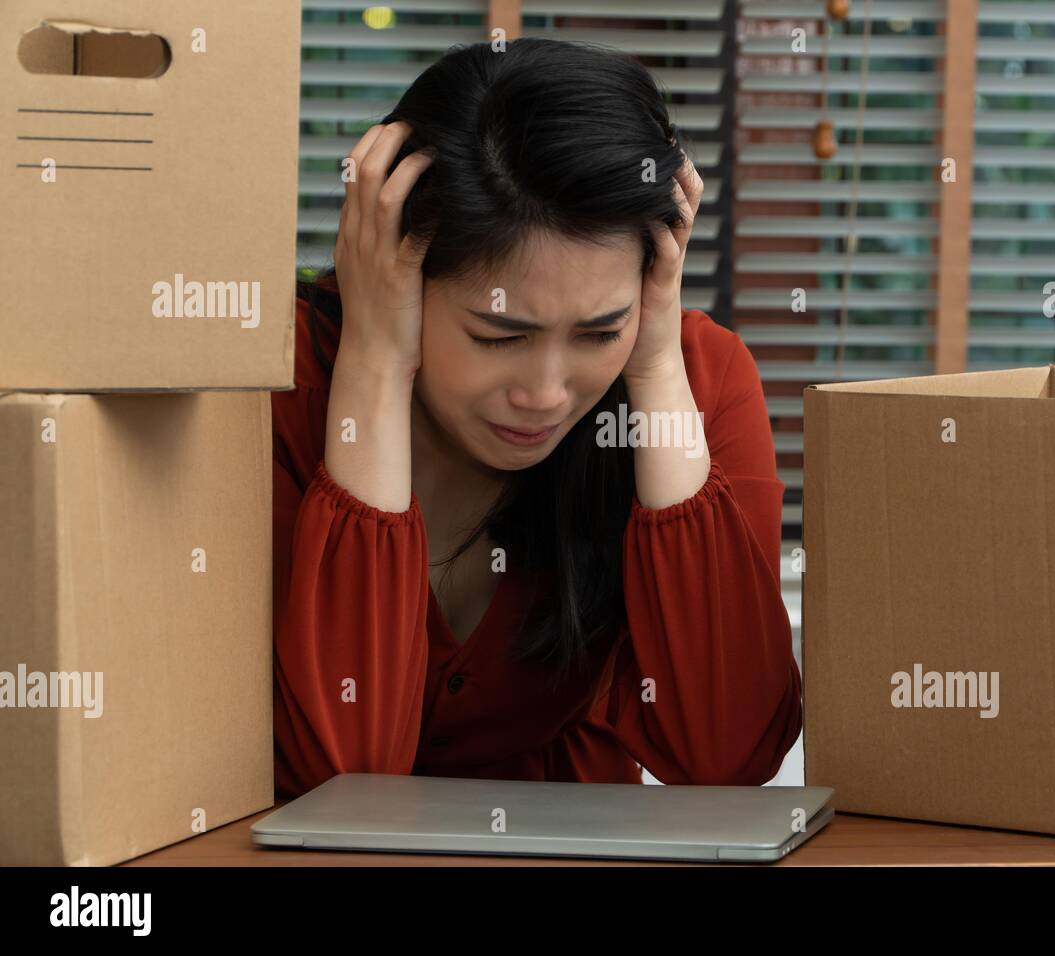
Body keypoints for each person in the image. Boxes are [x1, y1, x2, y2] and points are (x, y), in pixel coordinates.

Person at [273, 37, 802, 797]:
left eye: (597, 331)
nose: (547, 393)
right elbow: (339, 788)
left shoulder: (695, 379)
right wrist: (374, 365)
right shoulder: (288, 382)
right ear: (396, 277)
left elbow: (730, 754)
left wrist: (650, 366)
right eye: (500, 336)